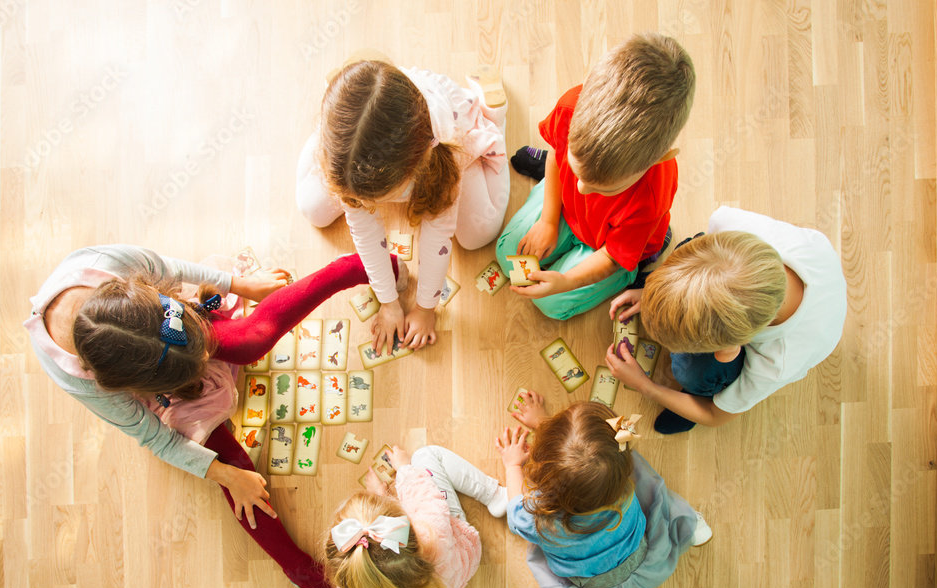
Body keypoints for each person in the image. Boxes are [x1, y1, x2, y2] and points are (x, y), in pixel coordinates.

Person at [25, 244, 404, 588]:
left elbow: (171, 269)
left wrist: (238, 285)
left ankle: (347, 268)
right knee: (232, 465)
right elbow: (156, 439)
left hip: (173, 332)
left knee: (250, 340)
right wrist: (225, 475)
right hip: (161, 376)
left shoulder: (111, 266)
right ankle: (296, 568)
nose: (209, 361)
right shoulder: (84, 383)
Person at [297, 59, 509, 352]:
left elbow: (438, 237)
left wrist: (425, 308)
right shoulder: (352, 172)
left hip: (452, 125)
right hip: (375, 134)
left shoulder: (442, 154)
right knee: (312, 209)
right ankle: (338, 113)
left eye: (375, 198)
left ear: (416, 166)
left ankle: (493, 115)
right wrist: (388, 302)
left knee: (479, 233)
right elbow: (365, 232)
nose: (368, 206)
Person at [495, 33, 695, 320]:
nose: (581, 188)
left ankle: (647, 251)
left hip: (611, 248)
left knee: (552, 304)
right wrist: (549, 220)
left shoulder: (650, 196)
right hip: (568, 214)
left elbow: (612, 258)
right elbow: (557, 153)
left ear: (658, 158)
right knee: (507, 255)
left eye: (602, 187)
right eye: (577, 170)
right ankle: (553, 180)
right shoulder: (572, 106)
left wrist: (565, 282)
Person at [606, 205, 848, 433]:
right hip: (762, 275)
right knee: (688, 247)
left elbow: (715, 417)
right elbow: (704, 261)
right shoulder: (729, 223)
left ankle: (696, 396)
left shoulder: (775, 365)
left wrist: (645, 386)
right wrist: (652, 292)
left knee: (689, 370)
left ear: (728, 350)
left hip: (791, 333)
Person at [497, 392, 711, 588]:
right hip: (641, 554)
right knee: (653, 489)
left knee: (540, 557)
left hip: (587, 582)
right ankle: (687, 525)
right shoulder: (621, 483)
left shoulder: (539, 520)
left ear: (542, 468)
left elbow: (515, 507)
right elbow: (626, 432)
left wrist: (513, 463)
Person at [321, 445, 508, 588]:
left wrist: (380, 498)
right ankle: (494, 495)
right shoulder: (431, 533)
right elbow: (424, 494)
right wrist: (404, 469)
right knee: (425, 455)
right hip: (463, 558)